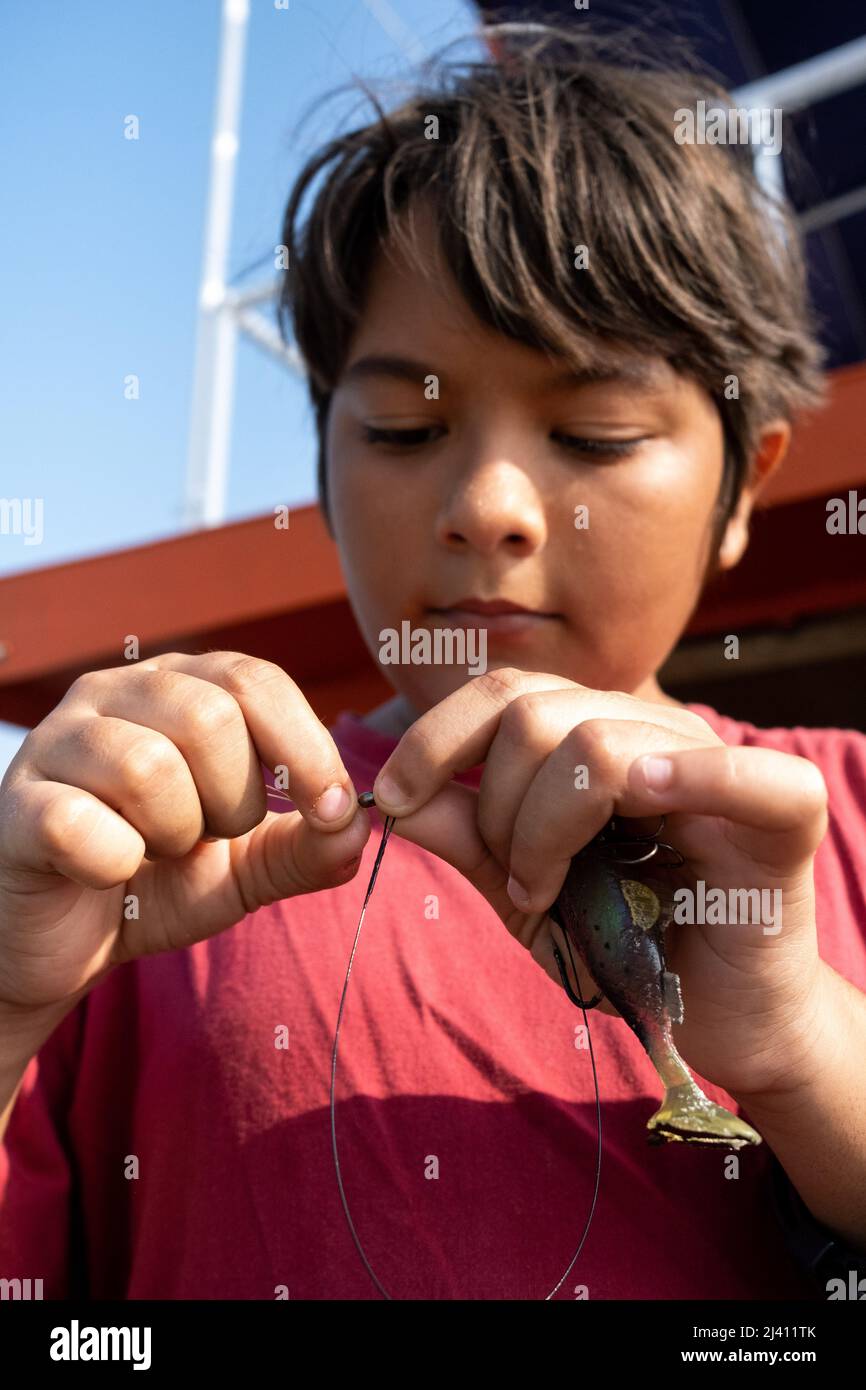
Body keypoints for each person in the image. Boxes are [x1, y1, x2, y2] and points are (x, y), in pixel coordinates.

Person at [1, 21, 865, 1301]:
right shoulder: (148, 858)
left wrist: (798, 1038)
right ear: (323, 471)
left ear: (748, 486)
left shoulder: (843, 811)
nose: (492, 504)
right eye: (406, 429)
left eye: (593, 427)